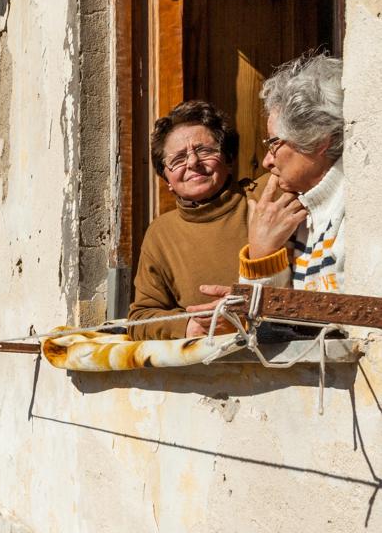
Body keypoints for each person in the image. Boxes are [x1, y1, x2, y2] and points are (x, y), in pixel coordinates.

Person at [127, 100, 253, 340]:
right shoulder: (161, 233)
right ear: (167, 180)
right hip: (208, 367)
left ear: (228, 158)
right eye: (178, 159)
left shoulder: (261, 198)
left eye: (204, 150)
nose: (193, 163)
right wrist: (190, 327)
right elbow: (139, 319)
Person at [238, 54, 344, 293]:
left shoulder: (355, 212)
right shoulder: (300, 212)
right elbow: (284, 316)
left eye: (273, 144)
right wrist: (262, 255)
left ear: (319, 140)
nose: (266, 161)